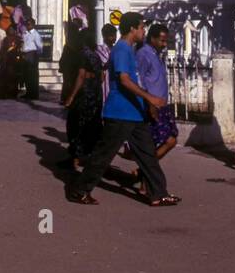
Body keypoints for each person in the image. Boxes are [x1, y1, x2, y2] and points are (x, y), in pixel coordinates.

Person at [67, 13, 179, 207]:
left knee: (148, 155)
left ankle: (158, 194)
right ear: (132, 29)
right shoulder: (121, 50)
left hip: (135, 113)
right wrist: (150, 97)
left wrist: (146, 104)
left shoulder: (130, 49)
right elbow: (124, 80)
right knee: (103, 155)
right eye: (142, 28)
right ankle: (79, 190)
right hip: (120, 113)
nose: (144, 31)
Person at [136, 22, 178, 194]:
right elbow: (138, 80)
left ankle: (143, 175)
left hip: (162, 106)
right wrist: (149, 104)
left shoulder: (156, 54)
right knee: (166, 141)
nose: (164, 44)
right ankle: (145, 177)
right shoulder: (144, 54)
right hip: (152, 106)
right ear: (151, 38)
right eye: (161, 40)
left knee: (168, 140)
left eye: (165, 41)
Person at [60, 23, 103, 170]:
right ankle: (85, 157)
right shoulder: (96, 56)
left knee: (75, 126)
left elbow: (81, 76)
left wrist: (71, 96)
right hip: (95, 96)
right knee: (91, 127)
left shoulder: (83, 55)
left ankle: (76, 159)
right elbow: (101, 77)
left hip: (83, 97)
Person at [19, 15, 44, 100]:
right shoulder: (25, 34)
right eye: (27, 24)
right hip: (25, 54)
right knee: (26, 75)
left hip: (32, 55)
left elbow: (40, 46)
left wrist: (36, 56)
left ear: (33, 24)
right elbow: (23, 44)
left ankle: (34, 94)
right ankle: (28, 92)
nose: (28, 26)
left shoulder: (36, 34)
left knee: (33, 75)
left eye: (29, 24)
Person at [0, 24, 22, 99]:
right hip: (6, 61)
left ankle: (13, 94)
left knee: (13, 78)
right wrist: (0, 57)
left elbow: (19, 50)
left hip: (14, 61)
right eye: (9, 29)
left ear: (15, 30)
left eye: (12, 29)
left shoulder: (18, 39)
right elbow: (2, 49)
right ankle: (4, 94)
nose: (10, 31)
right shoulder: (5, 39)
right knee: (4, 77)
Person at [98, 23, 117, 104]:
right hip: (105, 82)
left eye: (115, 35)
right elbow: (105, 63)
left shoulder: (116, 49)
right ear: (105, 36)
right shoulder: (100, 49)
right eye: (112, 35)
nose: (114, 38)